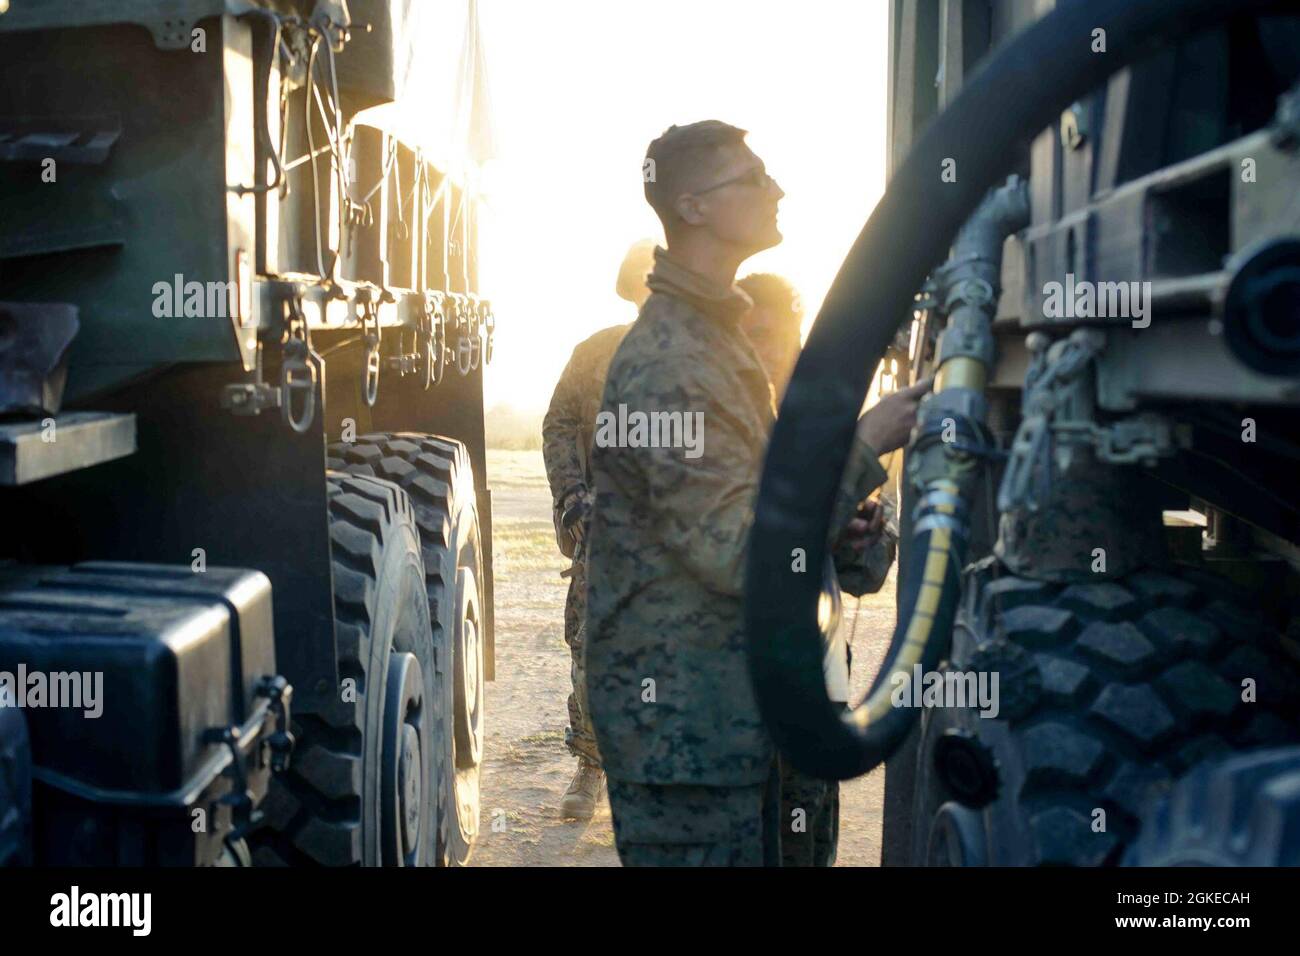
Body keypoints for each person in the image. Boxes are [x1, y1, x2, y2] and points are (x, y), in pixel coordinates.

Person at [584, 120, 929, 866]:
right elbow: (741, 555)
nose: (775, 189)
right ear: (693, 207)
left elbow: (754, 510)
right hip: (683, 734)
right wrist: (862, 447)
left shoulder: (716, 339)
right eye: (752, 178)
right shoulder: (671, 363)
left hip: (731, 718)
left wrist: (836, 528)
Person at [737, 271, 899, 867]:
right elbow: (744, 553)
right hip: (733, 695)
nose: (766, 353)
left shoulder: (825, 432)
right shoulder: (715, 433)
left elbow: (869, 574)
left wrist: (859, 535)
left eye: (778, 337)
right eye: (749, 335)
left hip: (813, 690)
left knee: (805, 850)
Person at [542, 238, 656, 820]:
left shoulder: (705, 359)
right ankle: (590, 768)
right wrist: (571, 498)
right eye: (644, 284)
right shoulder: (594, 354)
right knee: (590, 649)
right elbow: (558, 423)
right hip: (603, 534)